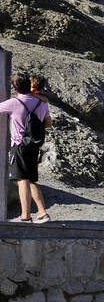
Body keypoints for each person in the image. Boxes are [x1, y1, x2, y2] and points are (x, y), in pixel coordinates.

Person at [2, 72, 52, 223]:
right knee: (31, 180)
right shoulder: (42, 103)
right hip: (35, 145)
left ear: (15, 89)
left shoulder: (14, 103)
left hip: (19, 146)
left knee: (22, 180)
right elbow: (48, 123)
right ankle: (43, 213)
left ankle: (25, 217)